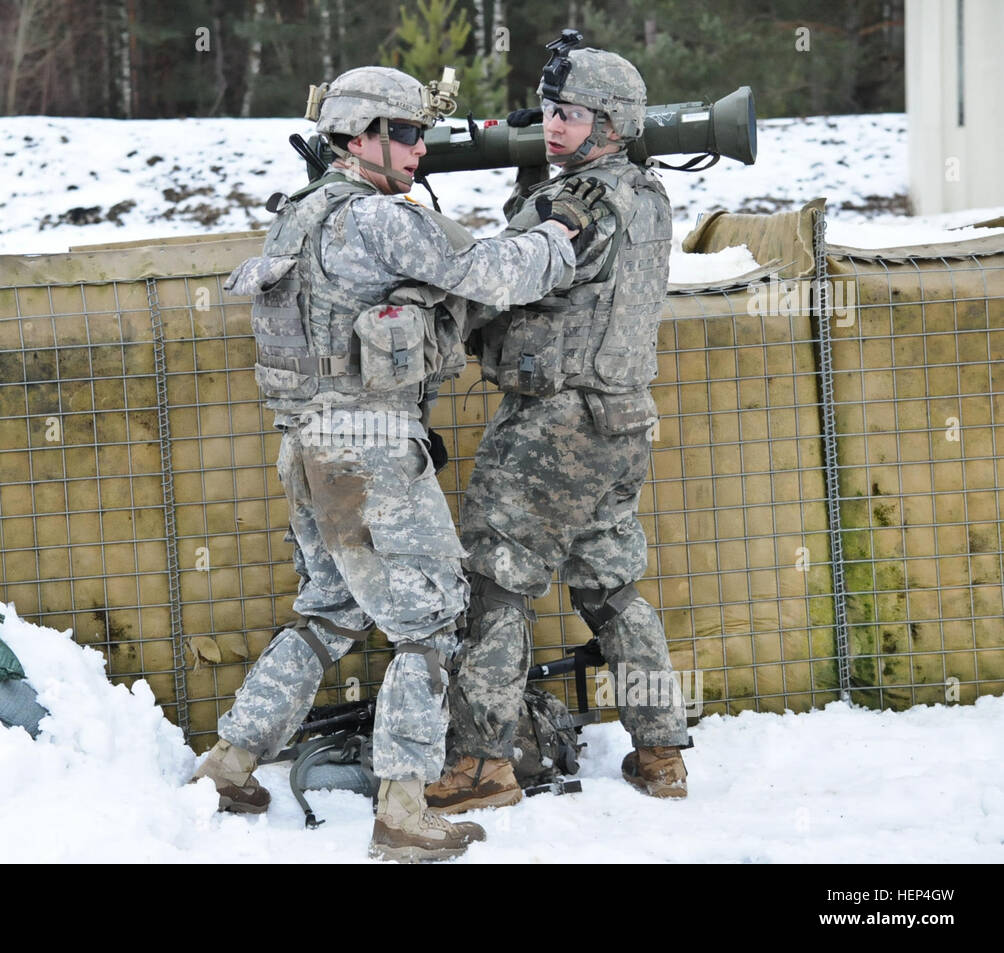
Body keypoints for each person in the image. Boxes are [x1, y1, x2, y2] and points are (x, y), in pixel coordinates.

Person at [190, 65, 590, 862]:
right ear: (360, 137)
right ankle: (405, 807)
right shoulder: (376, 220)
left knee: (332, 608)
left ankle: (232, 760)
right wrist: (559, 236)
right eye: (405, 134)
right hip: (369, 452)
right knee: (432, 616)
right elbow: (490, 272)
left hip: (308, 448)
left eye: (421, 135)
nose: (419, 151)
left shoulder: (301, 215)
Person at [427, 40, 691, 814]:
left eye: (569, 115)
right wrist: (536, 176)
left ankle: (481, 764)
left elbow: (516, 269)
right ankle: (662, 750)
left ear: (609, 125)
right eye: (548, 112)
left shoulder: (572, 205)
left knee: (496, 584)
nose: (551, 125)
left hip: (553, 422)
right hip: (621, 416)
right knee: (612, 587)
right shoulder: (644, 194)